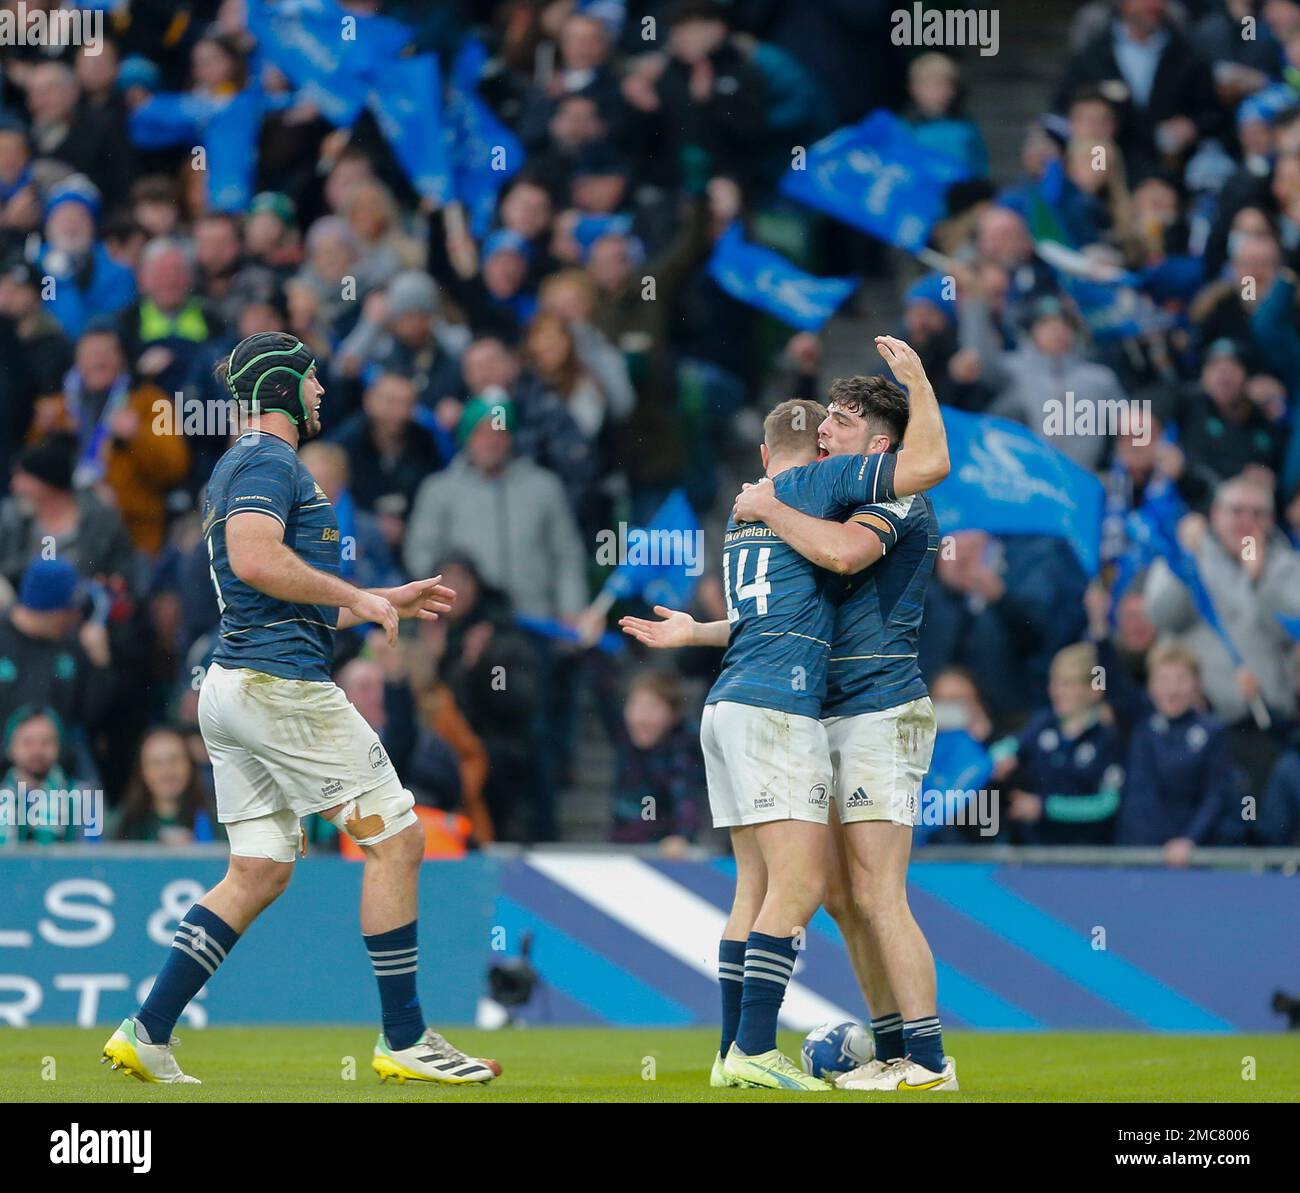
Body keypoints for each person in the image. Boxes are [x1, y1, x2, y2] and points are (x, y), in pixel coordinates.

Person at [100, 331, 498, 1087]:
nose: (321, 392)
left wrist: (383, 601)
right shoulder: (268, 458)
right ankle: (406, 1038)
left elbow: (268, 592)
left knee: (257, 869)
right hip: (279, 687)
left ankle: (146, 1028)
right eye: (311, 379)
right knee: (399, 841)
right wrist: (355, 591)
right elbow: (255, 558)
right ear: (282, 386)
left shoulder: (241, 464)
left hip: (236, 686)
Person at [621, 335, 951, 1091]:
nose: (824, 427)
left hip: (878, 707)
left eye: (839, 418)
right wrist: (700, 630)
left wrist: (769, 502)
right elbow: (782, 611)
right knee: (836, 895)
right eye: (823, 416)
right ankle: (882, 1044)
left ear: (877, 443)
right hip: (811, 707)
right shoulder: (832, 494)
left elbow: (839, 556)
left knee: (874, 891)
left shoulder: (887, 495)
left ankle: (927, 1061)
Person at [115, 726, 220, 845]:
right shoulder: (122, 824)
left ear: (190, 765)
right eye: (156, 763)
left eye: (174, 760)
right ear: (142, 771)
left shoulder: (218, 821)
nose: (166, 771)